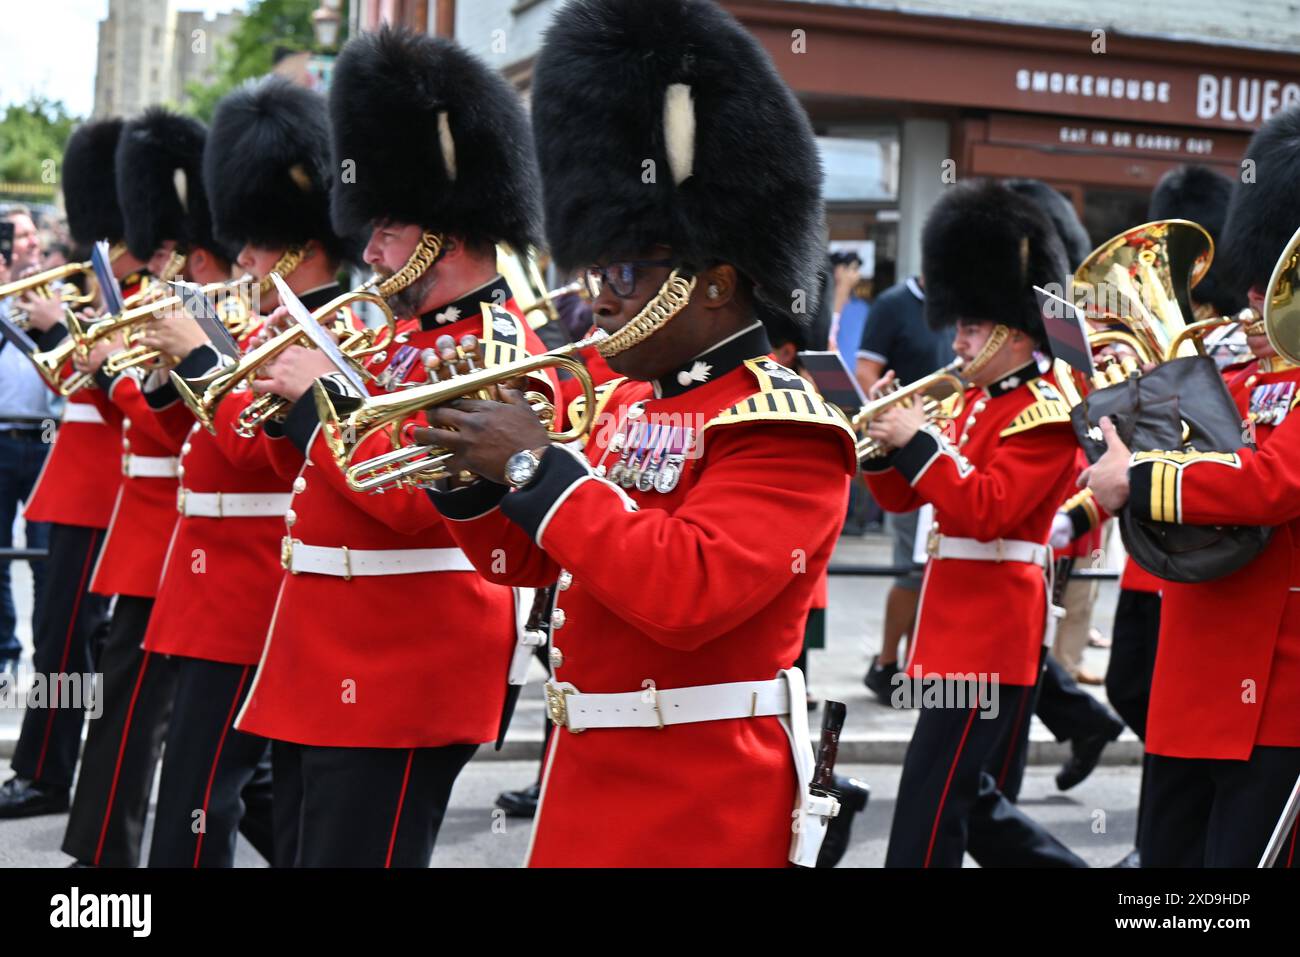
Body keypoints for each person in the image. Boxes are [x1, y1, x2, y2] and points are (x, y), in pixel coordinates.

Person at [415, 0, 855, 868]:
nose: (600, 295)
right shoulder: (626, 403)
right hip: (590, 778)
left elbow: (683, 593)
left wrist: (537, 465)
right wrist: (470, 474)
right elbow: (531, 566)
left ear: (717, 282)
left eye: (621, 270)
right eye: (594, 268)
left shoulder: (786, 427)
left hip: (697, 801)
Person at [229, 27, 553, 868]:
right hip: (324, 653)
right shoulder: (387, 337)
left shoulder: (499, 346)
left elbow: (415, 499)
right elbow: (303, 473)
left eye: (388, 229)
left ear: (446, 229)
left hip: (403, 662)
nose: (367, 253)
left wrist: (317, 400)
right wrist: (274, 401)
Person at [133, 76, 360, 868]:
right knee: (234, 788)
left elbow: (262, 456)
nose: (247, 259)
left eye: (259, 242)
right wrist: (170, 369)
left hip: (252, 579)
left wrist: (199, 356)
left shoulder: (338, 332)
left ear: (300, 241)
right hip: (213, 580)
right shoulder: (269, 323)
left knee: (199, 796)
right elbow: (192, 441)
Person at [1084, 110, 1300, 867]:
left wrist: (1137, 475)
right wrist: (1122, 405)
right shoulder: (1235, 374)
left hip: (1272, 693)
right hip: (1189, 677)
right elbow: (1176, 446)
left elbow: (1270, 484)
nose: (1257, 299)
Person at [863, 179, 1085, 867]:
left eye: (971, 325)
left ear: (1016, 330)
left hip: (990, 635)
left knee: (934, 804)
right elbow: (909, 502)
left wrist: (921, 443)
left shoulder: (1043, 413)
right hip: (952, 627)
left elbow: (986, 509)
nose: (956, 339)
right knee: (971, 800)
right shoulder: (972, 404)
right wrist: (883, 446)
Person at [60, 107, 236, 868]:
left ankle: (107, 855)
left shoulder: (217, 314)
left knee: (164, 724)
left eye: (172, 247)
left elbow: (182, 429)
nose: (164, 259)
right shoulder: (178, 305)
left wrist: (119, 376)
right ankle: (103, 850)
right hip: (150, 526)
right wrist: (108, 369)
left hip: (178, 530)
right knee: (144, 712)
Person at [0, 125, 145, 820]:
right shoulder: (102, 285)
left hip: (102, 492)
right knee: (60, 639)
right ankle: (46, 765)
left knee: (66, 642)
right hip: (74, 482)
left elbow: (132, 402)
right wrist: (49, 334)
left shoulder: (137, 295)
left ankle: (48, 773)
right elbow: (72, 383)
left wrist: (62, 332)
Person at [857, 272, 952, 702]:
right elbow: (866, 371)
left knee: (929, 568)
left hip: (946, 446)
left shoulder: (956, 304)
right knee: (911, 568)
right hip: (907, 450)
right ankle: (886, 662)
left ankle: (915, 664)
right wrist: (893, 419)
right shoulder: (894, 303)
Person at [0, 205, 56, 674]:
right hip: (1, 438)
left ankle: (46, 659)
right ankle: (4, 656)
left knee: (45, 558)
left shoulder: (59, 298)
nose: (31, 244)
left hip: (45, 441)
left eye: (34, 235)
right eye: (19, 237)